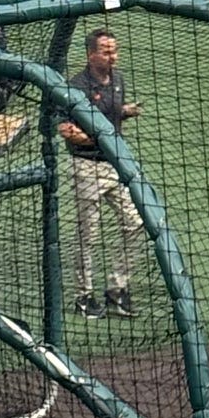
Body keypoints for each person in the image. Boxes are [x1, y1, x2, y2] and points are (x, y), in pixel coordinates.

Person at [59, 28, 143, 319]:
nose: (113, 57)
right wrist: (100, 137)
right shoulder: (77, 86)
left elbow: (112, 112)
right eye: (106, 52)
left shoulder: (118, 79)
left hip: (114, 165)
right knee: (88, 235)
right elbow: (67, 130)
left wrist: (126, 111)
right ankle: (83, 296)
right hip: (86, 167)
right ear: (90, 54)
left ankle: (117, 289)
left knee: (136, 223)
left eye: (114, 51)